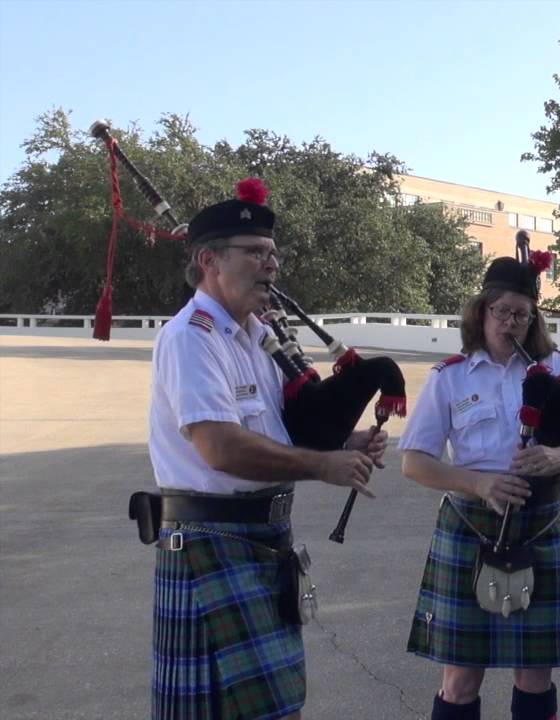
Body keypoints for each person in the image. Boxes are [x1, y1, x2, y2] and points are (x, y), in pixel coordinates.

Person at [145, 178, 386, 719]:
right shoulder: (192, 337)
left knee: (277, 706)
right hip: (210, 541)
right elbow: (222, 447)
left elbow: (274, 433)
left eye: (273, 253)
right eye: (255, 252)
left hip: (264, 539)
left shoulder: (256, 337)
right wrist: (325, 465)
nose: (271, 264)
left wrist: (348, 443)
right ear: (209, 260)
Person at [399, 251, 560, 720]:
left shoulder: (555, 368)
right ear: (481, 312)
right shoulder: (450, 376)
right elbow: (414, 463)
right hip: (471, 525)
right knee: (460, 680)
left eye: (522, 313)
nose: (511, 322)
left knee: (535, 673)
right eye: (501, 311)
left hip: (540, 525)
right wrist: (478, 483)